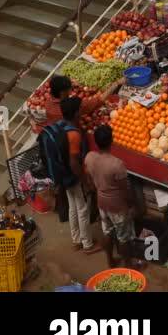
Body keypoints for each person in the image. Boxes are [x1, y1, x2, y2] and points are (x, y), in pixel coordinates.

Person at [85, 125, 140, 268]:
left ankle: (110, 260)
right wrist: (132, 205)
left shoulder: (90, 157)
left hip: (101, 202)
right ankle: (128, 265)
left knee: (107, 231)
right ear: (112, 141)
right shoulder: (117, 164)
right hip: (117, 206)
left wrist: (94, 187)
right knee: (123, 237)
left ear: (96, 142)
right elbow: (125, 189)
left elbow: (88, 176)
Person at [60, 97, 101, 254]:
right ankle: (88, 244)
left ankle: (76, 240)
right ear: (77, 113)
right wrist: (85, 181)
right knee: (83, 208)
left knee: (73, 207)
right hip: (74, 175)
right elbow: (74, 162)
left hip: (64, 175)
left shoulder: (60, 126)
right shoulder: (74, 134)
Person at [45, 75, 116, 126]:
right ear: (62, 93)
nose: (71, 91)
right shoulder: (69, 107)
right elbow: (97, 101)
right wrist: (115, 84)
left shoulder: (48, 101)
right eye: (70, 89)